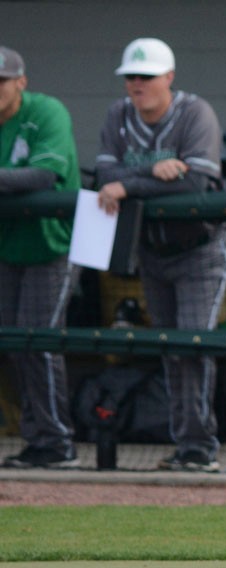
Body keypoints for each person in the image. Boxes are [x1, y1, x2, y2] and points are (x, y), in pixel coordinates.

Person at [95, 38, 226, 472]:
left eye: (147, 76)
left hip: (199, 251)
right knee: (170, 350)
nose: (137, 84)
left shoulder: (195, 113)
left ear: (168, 77)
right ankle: (185, 444)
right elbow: (103, 175)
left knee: (192, 346)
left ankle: (199, 448)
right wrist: (151, 172)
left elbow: (195, 182)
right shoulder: (118, 115)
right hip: (152, 252)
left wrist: (128, 182)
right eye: (131, 77)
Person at [0, 46, 81, 469]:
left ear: (21, 82)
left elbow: (44, 175)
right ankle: (38, 438)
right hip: (7, 247)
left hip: (54, 243)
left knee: (40, 343)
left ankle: (57, 442)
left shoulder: (46, 111)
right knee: (15, 345)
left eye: (2, 82)